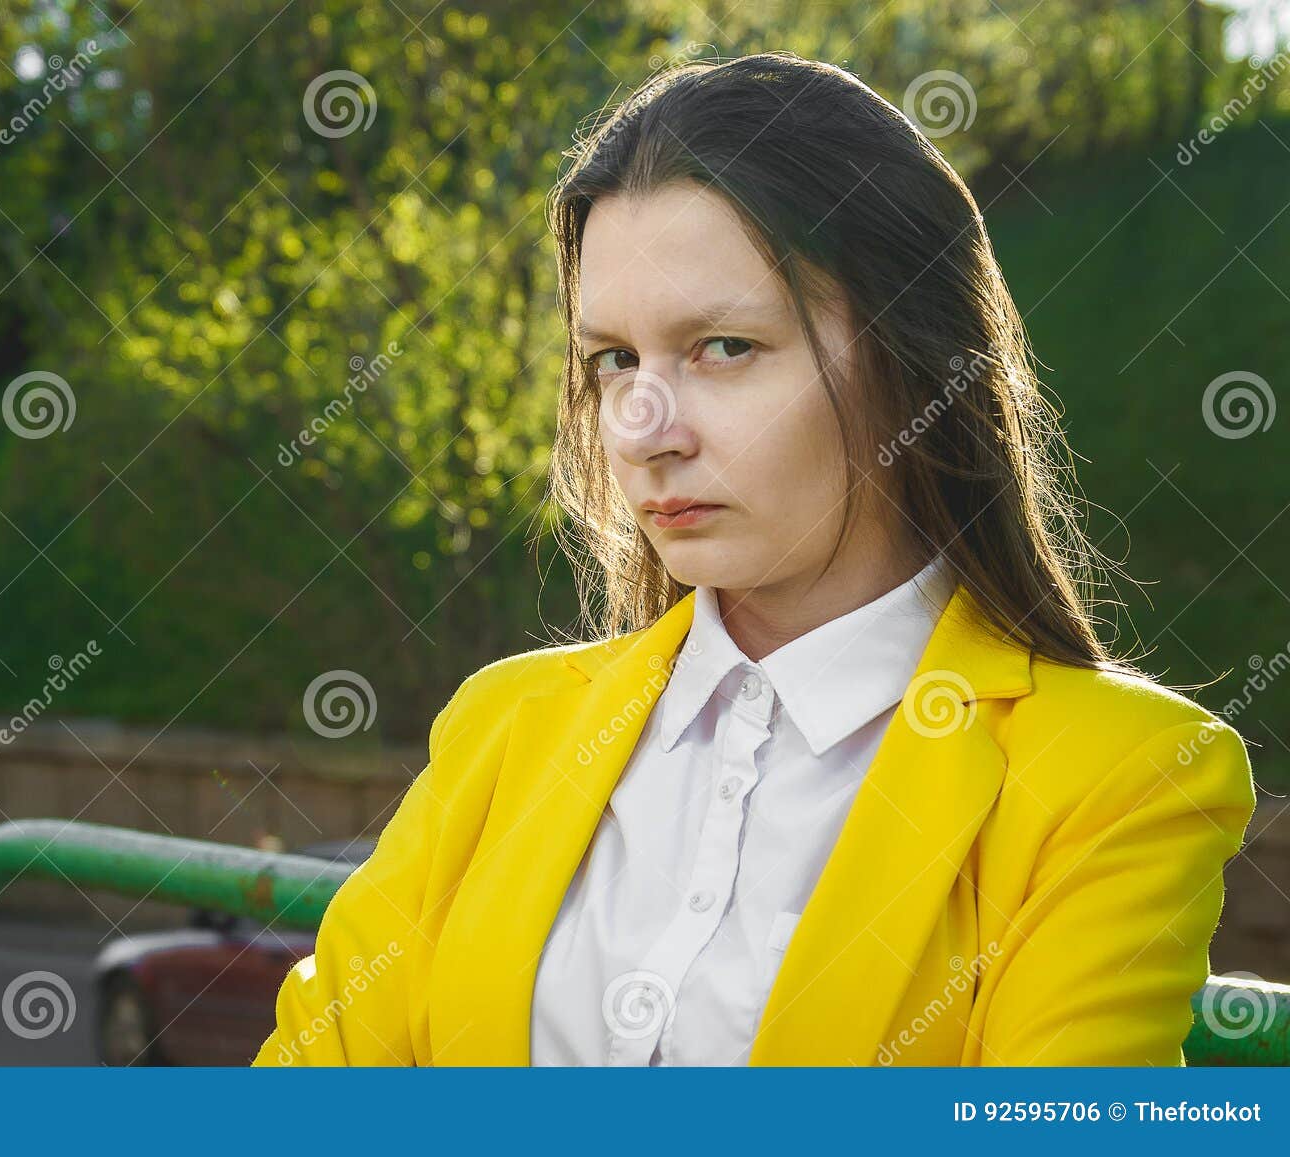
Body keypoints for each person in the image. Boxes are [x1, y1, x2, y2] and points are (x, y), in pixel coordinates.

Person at [253, 52, 1256, 1067]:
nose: (644, 428)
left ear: (912, 360)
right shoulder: (501, 727)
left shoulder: (1123, 777)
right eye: (613, 359)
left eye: (723, 346)